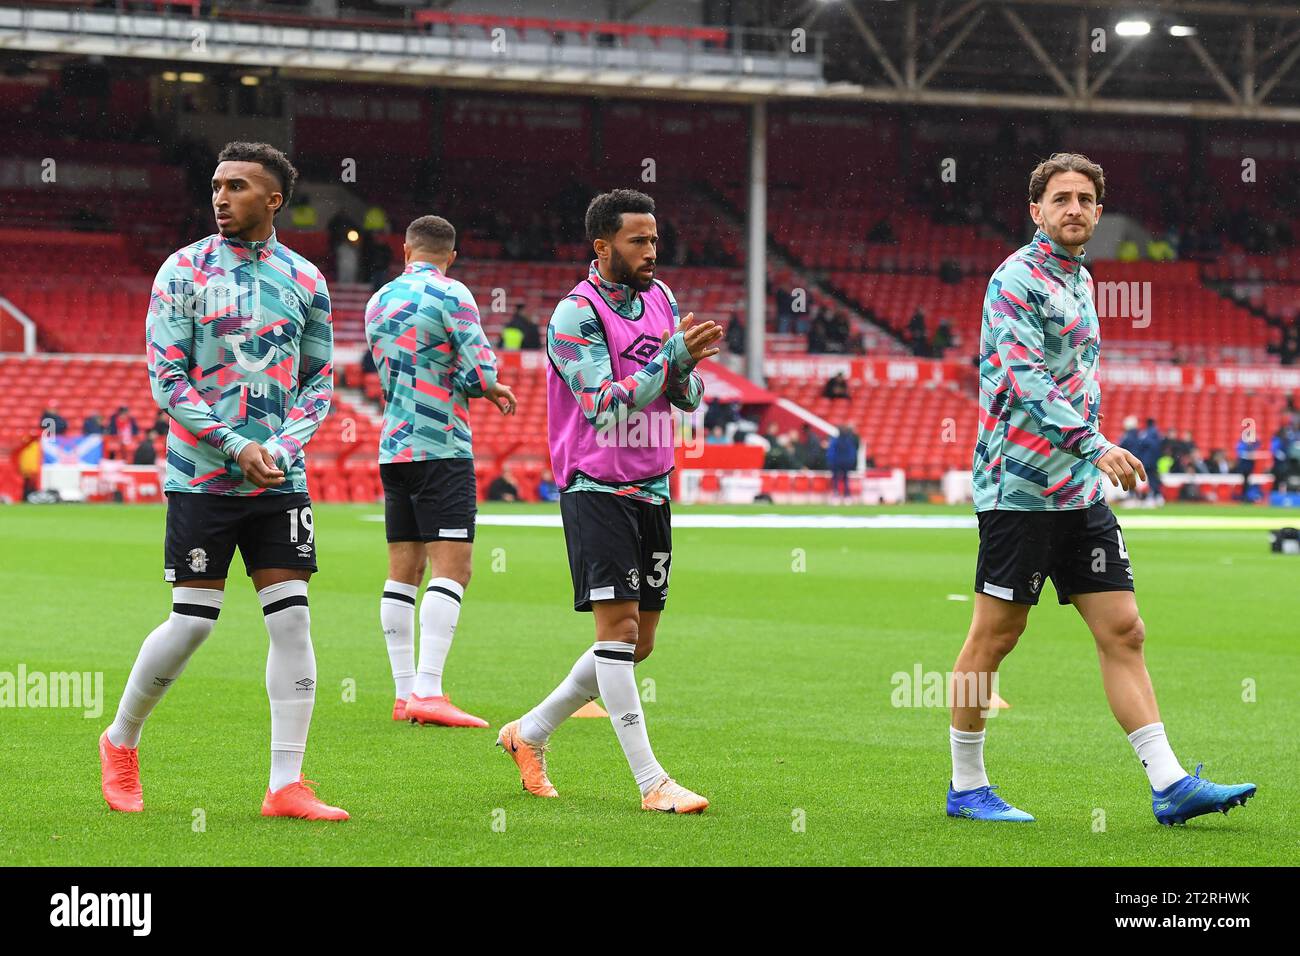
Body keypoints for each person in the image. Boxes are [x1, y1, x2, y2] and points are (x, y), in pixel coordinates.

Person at [952, 152, 1255, 826]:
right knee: (995, 636)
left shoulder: (1080, 279)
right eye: (1060, 198)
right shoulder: (1014, 280)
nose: (1074, 209)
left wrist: (1088, 456)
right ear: (1036, 210)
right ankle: (967, 784)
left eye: (1086, 199)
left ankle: (1169, 783)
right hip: (1018, 489)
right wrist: (1094, 443)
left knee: (1125, 630)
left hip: (1078, 491)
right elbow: (1028, 380)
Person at [99, 141, 348, 822]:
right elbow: (167, 378)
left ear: (273, 201)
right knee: (192, 623)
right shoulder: (182, 271)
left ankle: (285, 785)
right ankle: (120, 739)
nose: (220, 196)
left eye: (237, 186)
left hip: (279, 480)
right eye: (215, 184)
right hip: (202, 476)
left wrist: (285, 446)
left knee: (294, 619)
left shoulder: (306, 280)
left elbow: (319, 381)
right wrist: (237, 445)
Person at [497, 189, 719, 814]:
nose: (652, 251)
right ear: (602, 246)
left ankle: (528, 733)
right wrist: (672, 359)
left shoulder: (662, 299)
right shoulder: (576, 315)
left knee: (637, 643)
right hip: (596, 486)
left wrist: (683, 370)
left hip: (653, 485)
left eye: (654, 239)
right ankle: (652, 783)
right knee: (617, 633)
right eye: (638, 241)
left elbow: (688, 395)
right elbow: (603, 405)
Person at [365, 214, 516, 729]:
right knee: (454, 569)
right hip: (442, 445)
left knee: (402, 572)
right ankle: (429, 690)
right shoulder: (453, 295)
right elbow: (479, 372)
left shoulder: (377, 300)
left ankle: (404, 691)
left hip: (393, 446)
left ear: (406, 249)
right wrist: (490, 386)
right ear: (451, 255)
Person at [826, 424, 858, 498]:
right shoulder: (849, 441)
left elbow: (831, 452)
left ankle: (837, 493)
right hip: (845, 463)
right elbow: (852, 453)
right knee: (845, 479)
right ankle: (846, 494)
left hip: (837, 463)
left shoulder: (835, 440)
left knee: (836, 479)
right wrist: (851, 462)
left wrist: (831, 462)